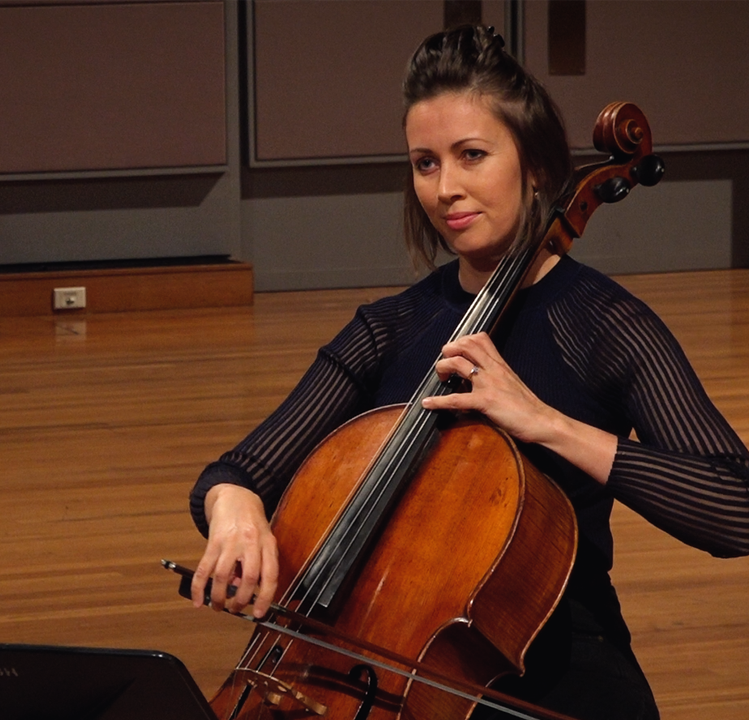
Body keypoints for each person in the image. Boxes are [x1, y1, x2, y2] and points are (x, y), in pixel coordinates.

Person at [188, 24, 749, 720]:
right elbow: (237, 471)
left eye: (472, 155)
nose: (445, 187)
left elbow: (736, 508)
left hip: (550, 662)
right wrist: (235, 511)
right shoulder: (390, 327)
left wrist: (549, 425)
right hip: (360, 658)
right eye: (425, 163)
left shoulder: (606, 326)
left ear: (536, 168)